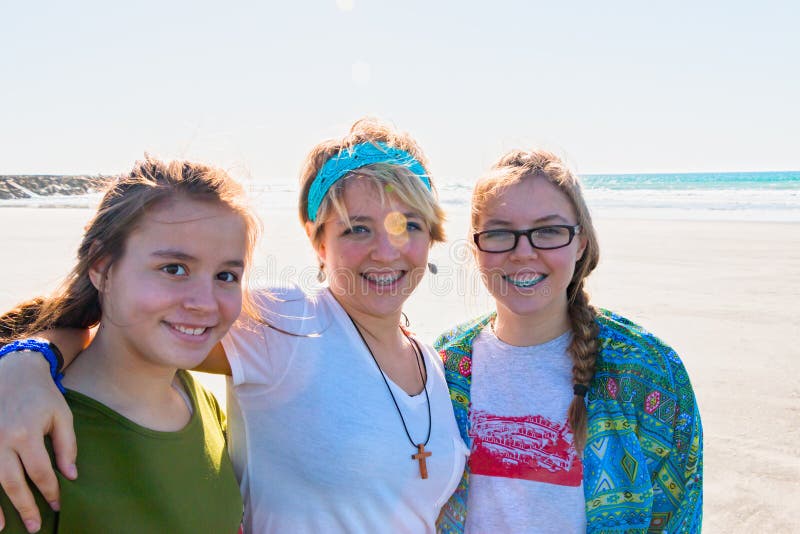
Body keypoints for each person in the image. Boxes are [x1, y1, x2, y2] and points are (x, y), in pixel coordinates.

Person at [0, 118, 468, 533]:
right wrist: (26, 358)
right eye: (357, 229)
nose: (387, 251)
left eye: (408, 225)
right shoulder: (286, 323)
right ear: (318, 242)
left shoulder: (431, 360)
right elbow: (131, 321)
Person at [434, 149, 703, 533]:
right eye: (499, 233)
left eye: (548, 231)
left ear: (580, 242)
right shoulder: (444, 367)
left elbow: (680, 515)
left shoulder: (648, 372)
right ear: (476, 247)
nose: (523, 252)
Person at [0, 157, 260, 532]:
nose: (204, 302)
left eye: (226, 275)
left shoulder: (199, 402)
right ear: (102, 268)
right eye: (174, 268)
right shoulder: (29, 436)